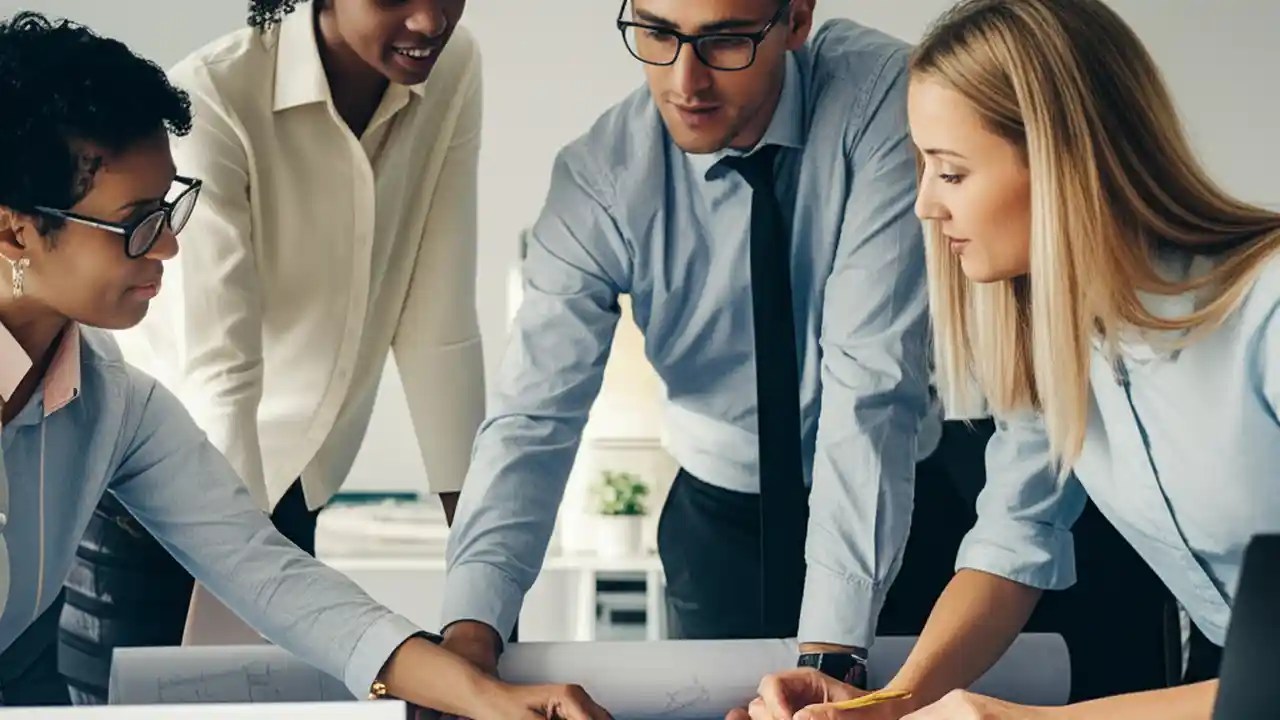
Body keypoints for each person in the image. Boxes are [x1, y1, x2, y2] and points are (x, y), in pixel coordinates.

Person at [0, 11, 612, 717]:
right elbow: (227, 371)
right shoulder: (230, 94)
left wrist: (488, 695)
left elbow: (271, 573)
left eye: (171, 207)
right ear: (15, 231)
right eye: (138, 221)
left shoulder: (117, 405)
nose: (168, 246)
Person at [736, 0, 1280, 718]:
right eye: (921, 167)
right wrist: (892, 703)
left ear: (1062, 163)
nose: (925, 205)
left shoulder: (1266, 311)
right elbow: (1012, 538)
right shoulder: (1061, 341)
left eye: (952, 173)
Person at [441, 0, 942, 687]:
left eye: (726, 41)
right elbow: (533, 418)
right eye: (657, 34)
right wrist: (471, 629)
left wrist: (831, 653)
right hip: (719, 516)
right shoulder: (600, 181)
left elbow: (871, 385)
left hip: (907, 496)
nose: (686, 83)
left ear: (796, 19)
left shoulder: (882, 96)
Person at [60, 0, 486, 701]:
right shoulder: (215, 99)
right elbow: (222, 376)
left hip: (292, 495)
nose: (427, 20)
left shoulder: (454, 67)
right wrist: (246, 589)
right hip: (151, 500)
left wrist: (481, 596)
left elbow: (437, 318)